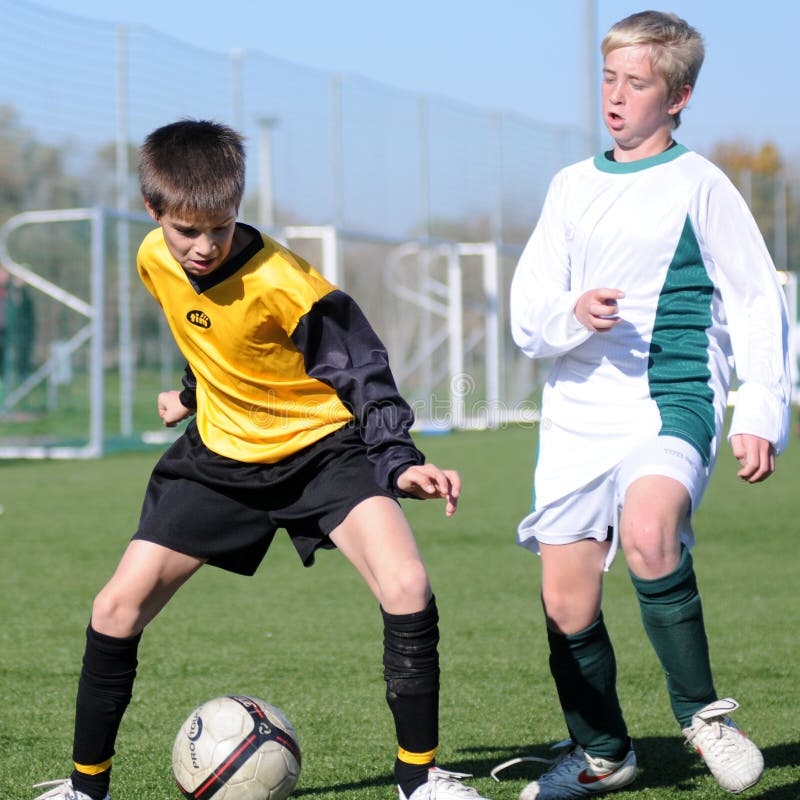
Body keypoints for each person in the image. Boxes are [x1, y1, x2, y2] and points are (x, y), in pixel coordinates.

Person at [32, 119, 490, 800]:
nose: (204, 245)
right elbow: (216, 341)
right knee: (114, 609)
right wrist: (191, 394)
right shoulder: (153, 258)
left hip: (323, 453)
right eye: (187, 230)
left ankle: (418, 783)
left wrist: (397, 461)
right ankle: (83, 790)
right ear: (154, 212)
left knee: (406, 585)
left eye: (220, 226)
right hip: (220, 459)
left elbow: (363, 370)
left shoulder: (287, 281)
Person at [498, 10, 791, 800]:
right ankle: (604, 755)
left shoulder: (702, 185)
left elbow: (758, 300)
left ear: (679, 96)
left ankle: (704, 719)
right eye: (609, 79)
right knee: (566, 600)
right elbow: (529, 313)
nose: (617, 97)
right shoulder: (570, 187)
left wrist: (762, 408)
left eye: (637, 83)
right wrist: (572, 314)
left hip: (672, 399)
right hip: (574, 418)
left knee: (650, 531)